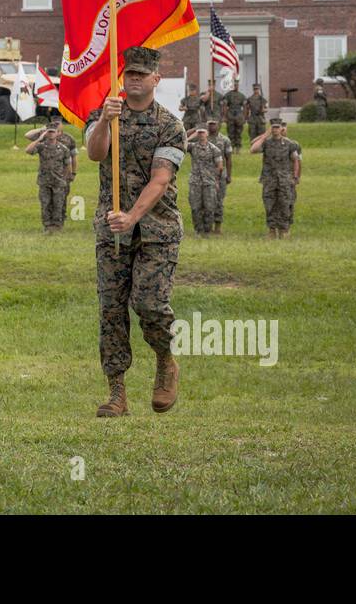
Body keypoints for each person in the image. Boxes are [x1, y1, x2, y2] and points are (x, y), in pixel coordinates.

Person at [84, 46, 185, 419]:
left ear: (157, 79)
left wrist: (133, 216)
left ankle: (164, 360)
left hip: (157, 230)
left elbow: (160, 180)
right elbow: (96, 155)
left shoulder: (170, 125)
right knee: (111, 310)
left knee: (149, 304)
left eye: (143, 74)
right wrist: (102, 123)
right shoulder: (107, 114)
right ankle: (117, 393)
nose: (135, 79)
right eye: (130, 74)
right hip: (112, 230)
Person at [251, 117, 302, 239]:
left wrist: (295, 176)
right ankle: (272, 230)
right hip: (269, 179)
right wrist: (265, 135)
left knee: (285, 204)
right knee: (270, 204)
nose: (275, 130)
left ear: (281, 128)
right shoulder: (266, 143)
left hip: (285, 179)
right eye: (273, 127)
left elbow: (295, 161)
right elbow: (253, 149)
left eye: (277, 127)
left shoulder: (290, 144)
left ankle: (284, 230)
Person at [26, 124, 73, 233]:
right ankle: (47, 226)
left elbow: (68, 166)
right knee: (45, 204)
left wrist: (65, 179)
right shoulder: (41, 146)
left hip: (58, 182)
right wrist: (39, 138)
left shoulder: (63, 149)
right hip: (44, 181)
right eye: (49, 131)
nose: (51, 134)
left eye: (53, 132)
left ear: (58, 133)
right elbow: (28, 150)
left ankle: (57, 226)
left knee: (58, 204)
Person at [184, 125, 222, 236]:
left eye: (202, 132)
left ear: (207, 134)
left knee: (209, 208)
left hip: (209, 183)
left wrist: (215, 180)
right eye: (199, 133)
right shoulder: (192, 147)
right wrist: (192, 135)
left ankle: (207, 231)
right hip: (195, 182)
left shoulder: (214, 149)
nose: (201, 134)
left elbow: (219, 166)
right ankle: (198, 230)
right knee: (195, 207)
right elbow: (180, 143)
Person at [204, 117, 233, 235]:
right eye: (210, 124)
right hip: (205, 174)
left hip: (220, 175)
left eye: (214, 124)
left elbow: (229, 159)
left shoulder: (224, 140)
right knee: (206, 201)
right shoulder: (203, 138)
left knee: (218, 200)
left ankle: (217, 226)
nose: (212, 126)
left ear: (219, 125)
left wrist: (229, 175)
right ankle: (207, 227)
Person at [221, 82, 247, 151]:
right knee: (230, 132)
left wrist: (244, 117)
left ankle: (238, 148)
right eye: (235, 85)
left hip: (239, 115)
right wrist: (224, 116)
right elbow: (225, 106)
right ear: (232, 86)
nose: (236, 87)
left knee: (238, 132)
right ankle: (231, 147)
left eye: (237, 85)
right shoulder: (228, 95)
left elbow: (245, 107)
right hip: (230, 115)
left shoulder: (242, 96)